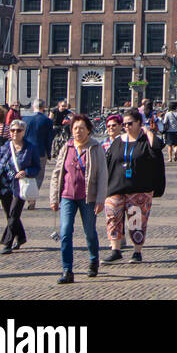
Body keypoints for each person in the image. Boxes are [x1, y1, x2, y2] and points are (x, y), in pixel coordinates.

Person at [49, 114, 107, 283]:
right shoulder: (66, 148)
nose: (78, 131)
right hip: (67, 195)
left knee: (89, 232)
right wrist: (54, 197)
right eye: (75, 128)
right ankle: (67, 270)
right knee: (65, 232)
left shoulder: (96, 148)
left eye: (82, 128)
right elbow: (57, 173)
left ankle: (93, 260)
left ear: (88, 130)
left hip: (88, 197)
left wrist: (100, 199)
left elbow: (103, 175)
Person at [103, 108, 164, 263]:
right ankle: (115, 249)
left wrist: (147, 130)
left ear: (138, 123)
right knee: (112, 217)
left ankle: (137, 251)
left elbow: (157, 147)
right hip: (116, 186)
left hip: (139, 188)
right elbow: (108, 162)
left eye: (130, 123)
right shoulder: (118, 141)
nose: (127, 126)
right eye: (124, 124)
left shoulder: (145, 141)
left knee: (136, 221)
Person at [0, 119, 41, 254]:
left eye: (18, 130)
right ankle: (20, 238)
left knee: (14, 213)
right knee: (9, 214)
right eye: (13, 130)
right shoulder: (3, 149)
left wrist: (27, 172)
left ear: (24, 132)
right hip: (4, 185)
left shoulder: (30, 148)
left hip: (20, 186)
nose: (15, 133)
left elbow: (37, 168)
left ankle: (7, 243)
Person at [21, 98, 54, 209]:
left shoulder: (25, 119)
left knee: (26, 173)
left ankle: (25, 193)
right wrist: (49, 153)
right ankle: (32, 198)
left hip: (27, 151)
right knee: (39, 176)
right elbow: (49, 139)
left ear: (33, 107)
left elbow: (22, 137)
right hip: (40, 151)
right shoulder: (47, 121)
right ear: (43, 108)